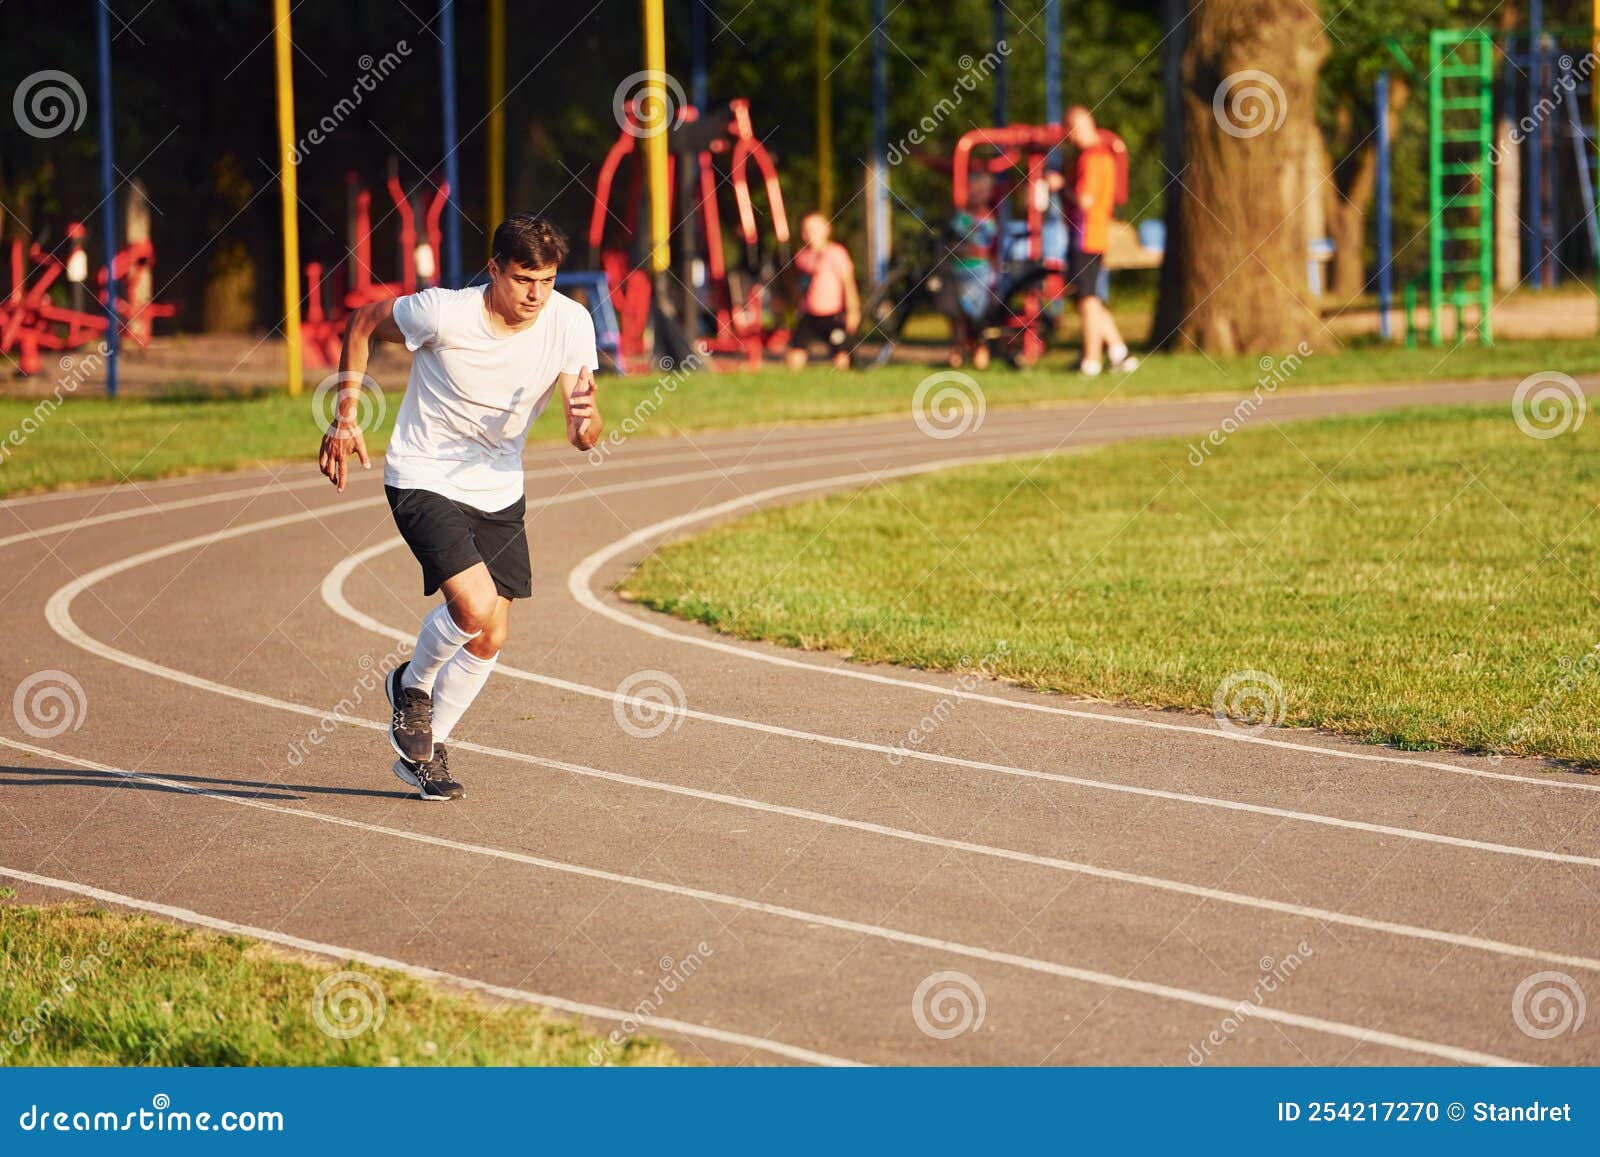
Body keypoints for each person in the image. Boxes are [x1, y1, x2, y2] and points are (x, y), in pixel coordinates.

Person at [317, 212, 603, 801]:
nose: (535, 294)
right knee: (472, 605)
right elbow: (363, 321)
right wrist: (345, 415)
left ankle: (423, 754)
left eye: (547, 280)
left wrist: (585, 423)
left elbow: (585, 432)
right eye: (524, 278)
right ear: (494, 269)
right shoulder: (442, 312)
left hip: (498, 487)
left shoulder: (571, 322)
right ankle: (410, 684)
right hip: (423, 473)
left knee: (490, 635)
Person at [1062, 106, 1137, 376]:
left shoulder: (1091, 159)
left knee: (1088, 300)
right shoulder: (1102, 156)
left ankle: (1091, 359)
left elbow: (1085, 200)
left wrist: (1061, 187)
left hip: (1086, 236)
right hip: (1095, 234)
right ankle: (1119, 352)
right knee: (1089, 296)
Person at [787, 213, 860, 371]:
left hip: (833, 314)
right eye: (806, 230)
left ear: (827, 230)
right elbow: (798, 286)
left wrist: (853, 310)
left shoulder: (836, 253)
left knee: (841, 357)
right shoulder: (801, 256)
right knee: (794, 355)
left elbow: (848, 283)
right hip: (809, 314)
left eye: (814, 229)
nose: (809, 234)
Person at [946, 170, 998, 370]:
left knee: (980, 315)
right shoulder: (961, 216)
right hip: (959, 269)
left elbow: (989, 248)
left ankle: (980, 352)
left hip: (981, 272)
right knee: (958, 315)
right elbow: (952, 242)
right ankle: (957, 353)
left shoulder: (989, 218)